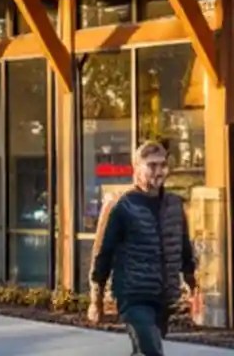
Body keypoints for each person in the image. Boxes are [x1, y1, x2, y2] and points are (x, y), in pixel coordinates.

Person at [88, 141, 199, 356]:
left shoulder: (174, 205)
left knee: (145, 350)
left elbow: (184, 247)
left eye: (162, 165)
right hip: (133, 293)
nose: (159, 171)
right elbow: (104, 252)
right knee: (151, 352)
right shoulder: (123, 206)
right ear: (136, 169)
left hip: (164, 296)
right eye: (152, 166)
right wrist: (96, 299)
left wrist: (192, 285)